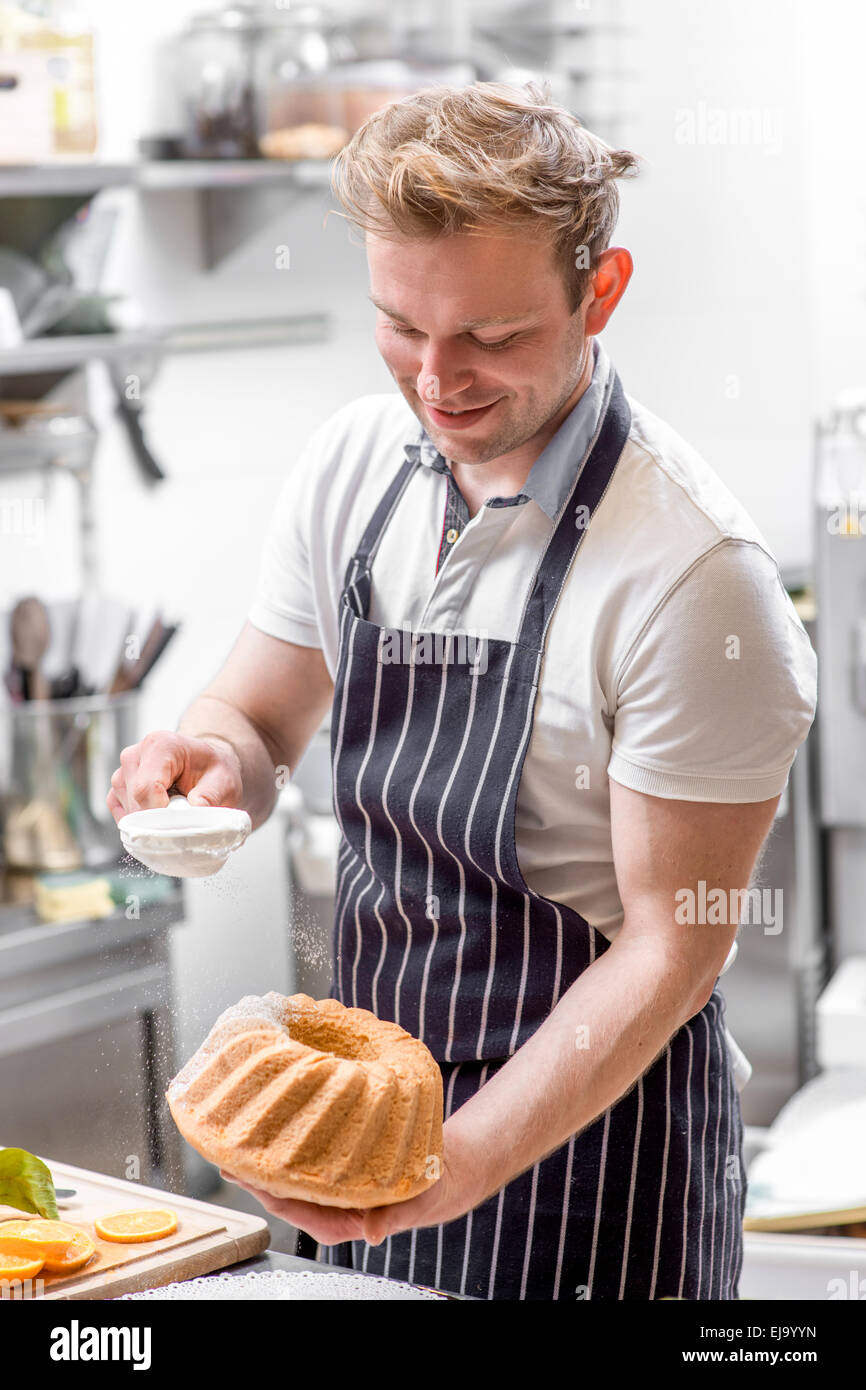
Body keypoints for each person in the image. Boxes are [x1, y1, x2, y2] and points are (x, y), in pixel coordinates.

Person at [108, 81, 817, 1300]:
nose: (437, 382)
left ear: (601, 290)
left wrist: (456, 1162)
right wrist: (215, 760)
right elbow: (261, 716)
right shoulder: (352, 468)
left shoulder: (694, 577)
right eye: (399, 326)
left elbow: (673, 950)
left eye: (491, 337)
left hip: (604, 1177)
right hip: (366, 1143)